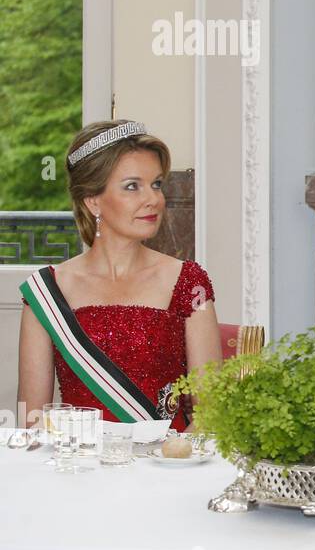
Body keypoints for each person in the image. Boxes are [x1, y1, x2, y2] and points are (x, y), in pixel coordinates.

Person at [17, 121, 221, 430]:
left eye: (156, 184)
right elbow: (32, 423)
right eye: (132, 186)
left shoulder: (190, 283)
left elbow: (212, 416)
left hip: (169, 469)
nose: (153, 199)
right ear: (93, 200)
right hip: (80, 468)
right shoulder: (47, 292)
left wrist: (164, 467)